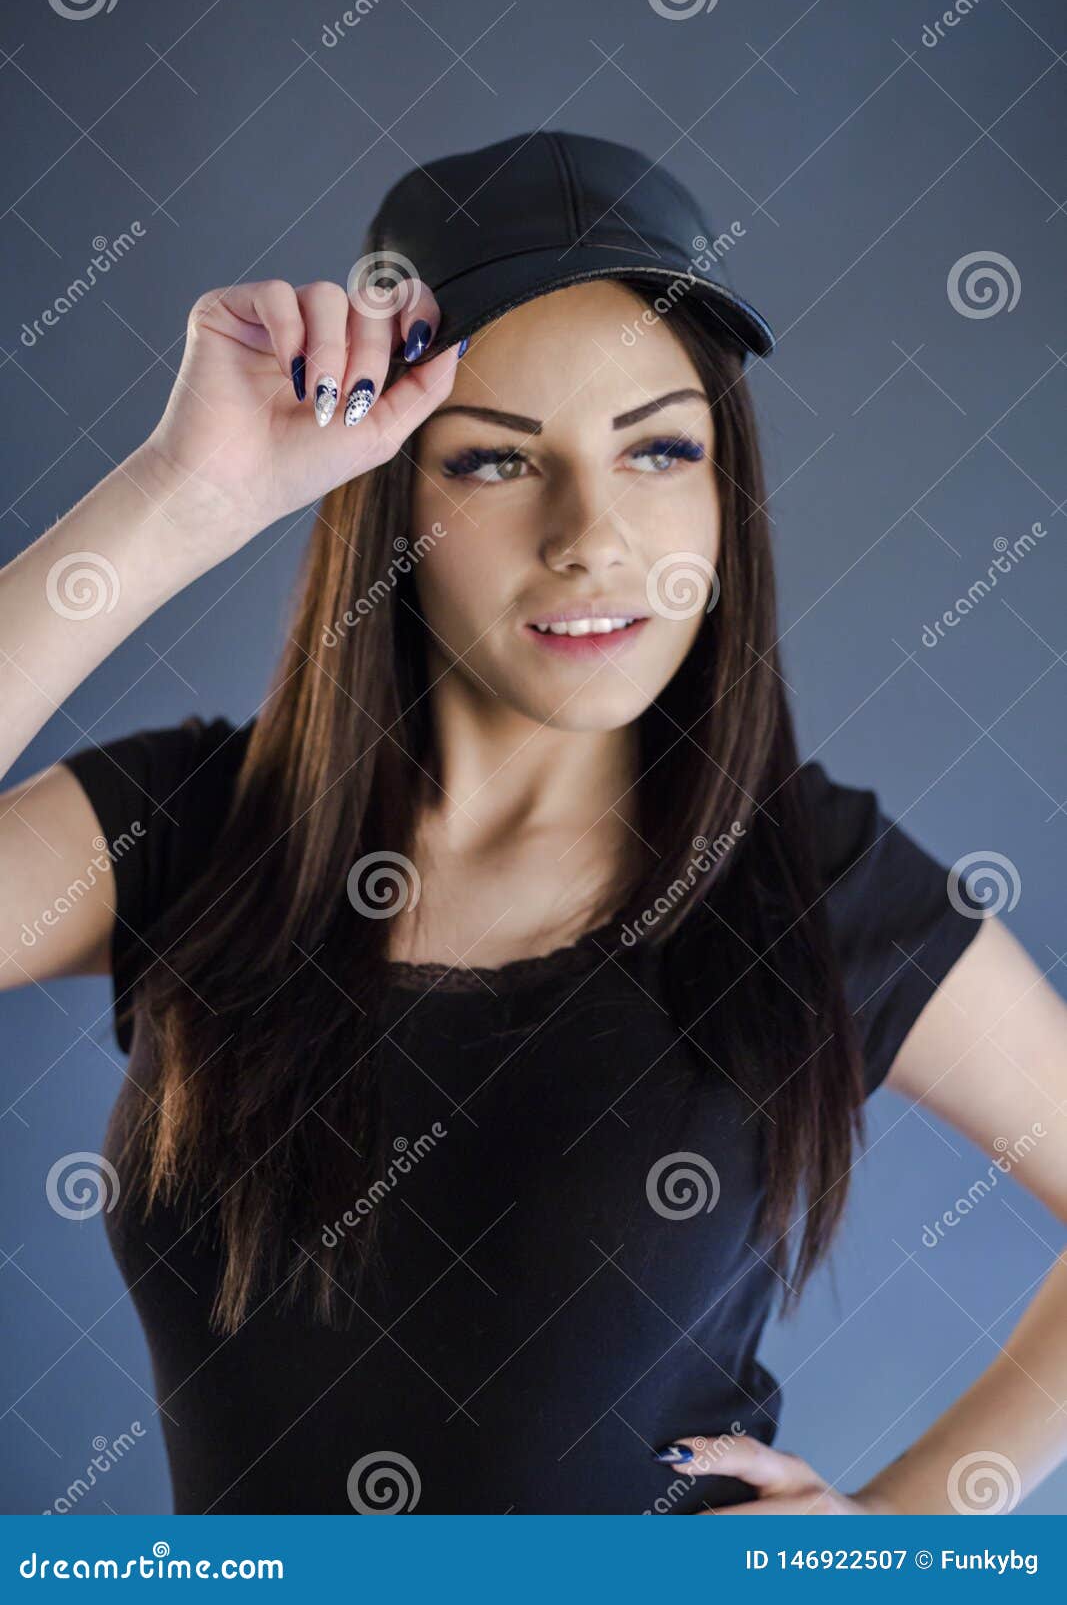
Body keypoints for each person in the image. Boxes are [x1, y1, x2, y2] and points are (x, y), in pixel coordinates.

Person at [2, 132, 1065, 1517]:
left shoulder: (814, 882)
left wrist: (899, 1539)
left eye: (659, 449)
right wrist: (179, 497)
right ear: (385, 493)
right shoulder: (195, 833)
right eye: (497, 465)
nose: (592, 536)